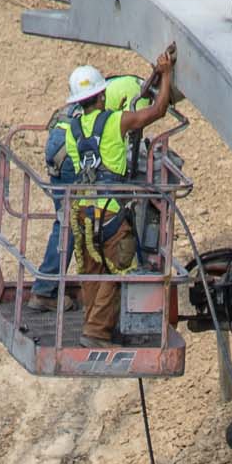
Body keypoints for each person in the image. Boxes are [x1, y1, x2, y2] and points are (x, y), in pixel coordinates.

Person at [47, 46, 179, 346]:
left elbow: (82, 166)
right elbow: (157, 111)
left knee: (92, 271)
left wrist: (156, 73)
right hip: (108, 210)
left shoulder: (72, 129)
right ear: (102, 95)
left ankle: (92, 326)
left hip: (81, 212)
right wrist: (167, 74)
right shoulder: (116, 121)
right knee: (121, 269)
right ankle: (95, 332)